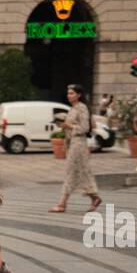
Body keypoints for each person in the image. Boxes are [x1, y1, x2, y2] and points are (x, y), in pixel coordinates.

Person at [50, 84, 102, 212]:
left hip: (79, 144)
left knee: (73, 172)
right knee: (78, 172)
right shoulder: (73, 108)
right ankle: (94, 197)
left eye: (72, 93)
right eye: (68, 93)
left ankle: (62, 204)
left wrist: (68, 126)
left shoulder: (82, 108)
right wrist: (63, 126)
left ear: (79, 95)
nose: (69, 95)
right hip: (72, 143)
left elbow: (85, 128)